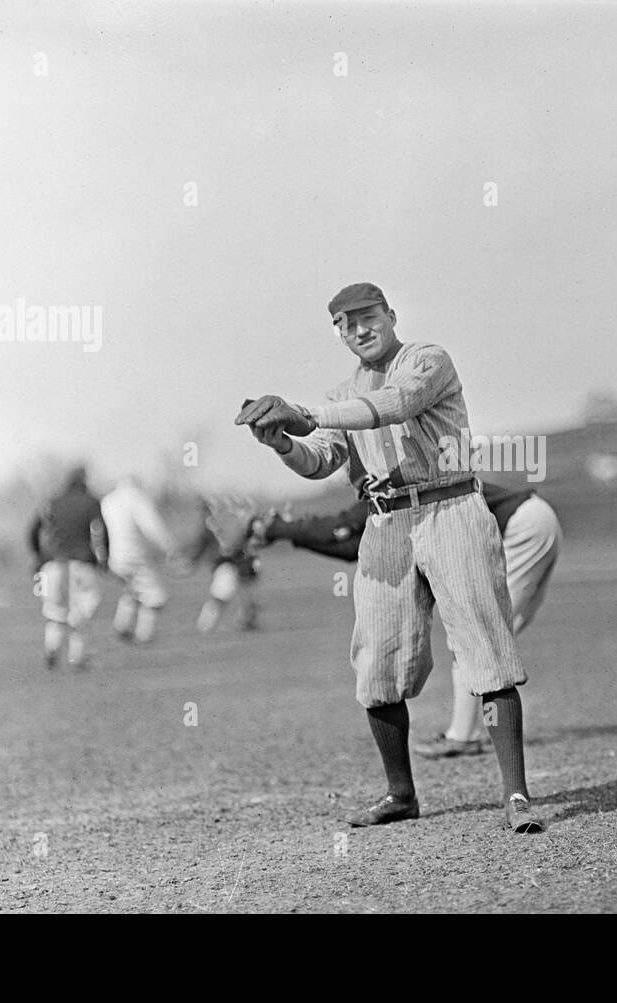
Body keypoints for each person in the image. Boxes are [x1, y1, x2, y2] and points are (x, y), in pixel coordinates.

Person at [236, 281, 545, 833]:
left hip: (451, 508)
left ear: (390, 314)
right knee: (376, 661)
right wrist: (282, 442)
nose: (359, 329)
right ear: (338, 333)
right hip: (386, 522)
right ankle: (400, 794)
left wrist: (308, 413)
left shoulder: (426, 360)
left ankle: (516, 794)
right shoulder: (342, 393)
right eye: (346, 323)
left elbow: (395, 404)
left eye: (368, 316)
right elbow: (319, 460)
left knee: (485, 650)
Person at [263, 481, 562, 758]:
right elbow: (348, 546)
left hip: (521, 526)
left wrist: (277, 528)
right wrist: (286, 533)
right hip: (537, 517)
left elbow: (339, 531)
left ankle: (463, 734)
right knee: (490, 634)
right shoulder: (401, 485)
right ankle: (480, 727)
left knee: (475, 636)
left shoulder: (390, 488)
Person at [26, 465, 106, 670]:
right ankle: (77, 656)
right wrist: (105, 557)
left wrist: (37, 555)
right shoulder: (91, 502)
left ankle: (51, 647)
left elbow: (33, 530)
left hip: (52, 564)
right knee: (83, 609)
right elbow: (100, 531)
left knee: (54, 611)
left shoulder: (52, 502)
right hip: (81, 562)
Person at [100, 475, 178, 645]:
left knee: (133, 591)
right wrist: (169, 546)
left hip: (115, 558)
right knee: (155, 596)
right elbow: (152, 527)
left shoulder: (108, 500)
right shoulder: (137, 499)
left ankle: (122, 625)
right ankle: (144, 635)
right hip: (134, 556)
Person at [187, 495, 268, 633]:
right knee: (221, 594)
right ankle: (205, 626)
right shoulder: (212, 524)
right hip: (228, 563)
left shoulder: (230, 520)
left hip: (244, 562)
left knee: (249, 596)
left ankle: (247, 623)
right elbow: (208, 546)